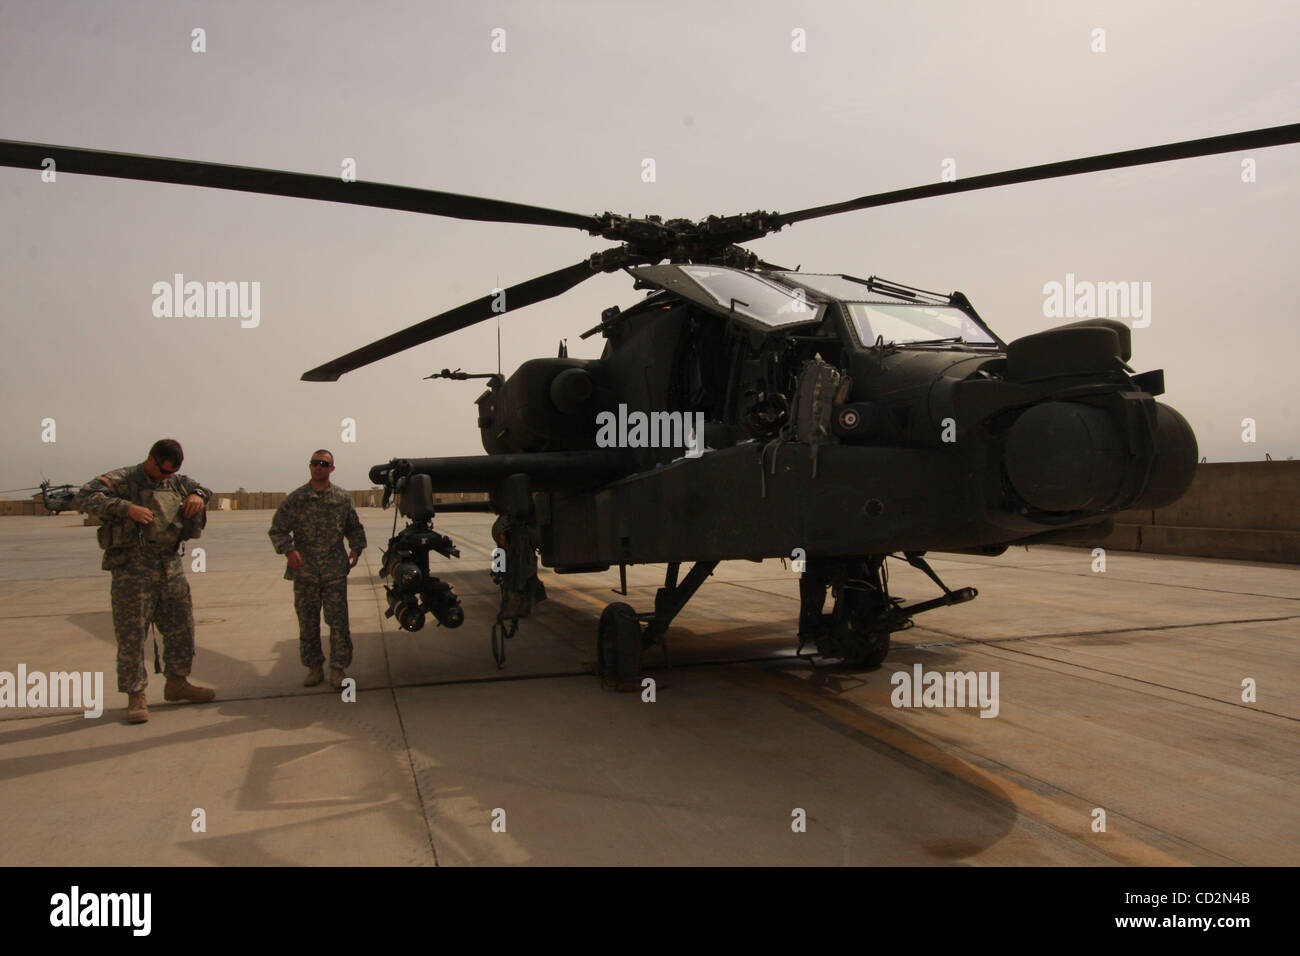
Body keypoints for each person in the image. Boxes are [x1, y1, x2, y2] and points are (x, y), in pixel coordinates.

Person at [76, 438, 217, 724]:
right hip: (132, 569)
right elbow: (85, 495)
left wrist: (197, 496)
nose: (168, 477)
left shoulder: (176, 482)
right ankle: (136, 695)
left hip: (169, 565)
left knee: (181, 628)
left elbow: (204, 489)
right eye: (164, 471)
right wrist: (125, 508)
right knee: (132, 635)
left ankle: (177, 683)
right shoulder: (124, 479)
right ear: (151, 460)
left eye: (172, 472)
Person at [268, 450, 366, 689]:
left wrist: (356, 548)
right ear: (310, 467)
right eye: (315, 463)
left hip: (334, 570)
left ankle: (338, 670)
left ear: (332, 468)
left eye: (324, 464)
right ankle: (314, 669)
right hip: (305, 572)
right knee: (308, 623)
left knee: (338, 622)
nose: (318, 467)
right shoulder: (296, 499)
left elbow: (354, 527)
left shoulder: (342, 498)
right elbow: (277, 530)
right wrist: (289, 550)